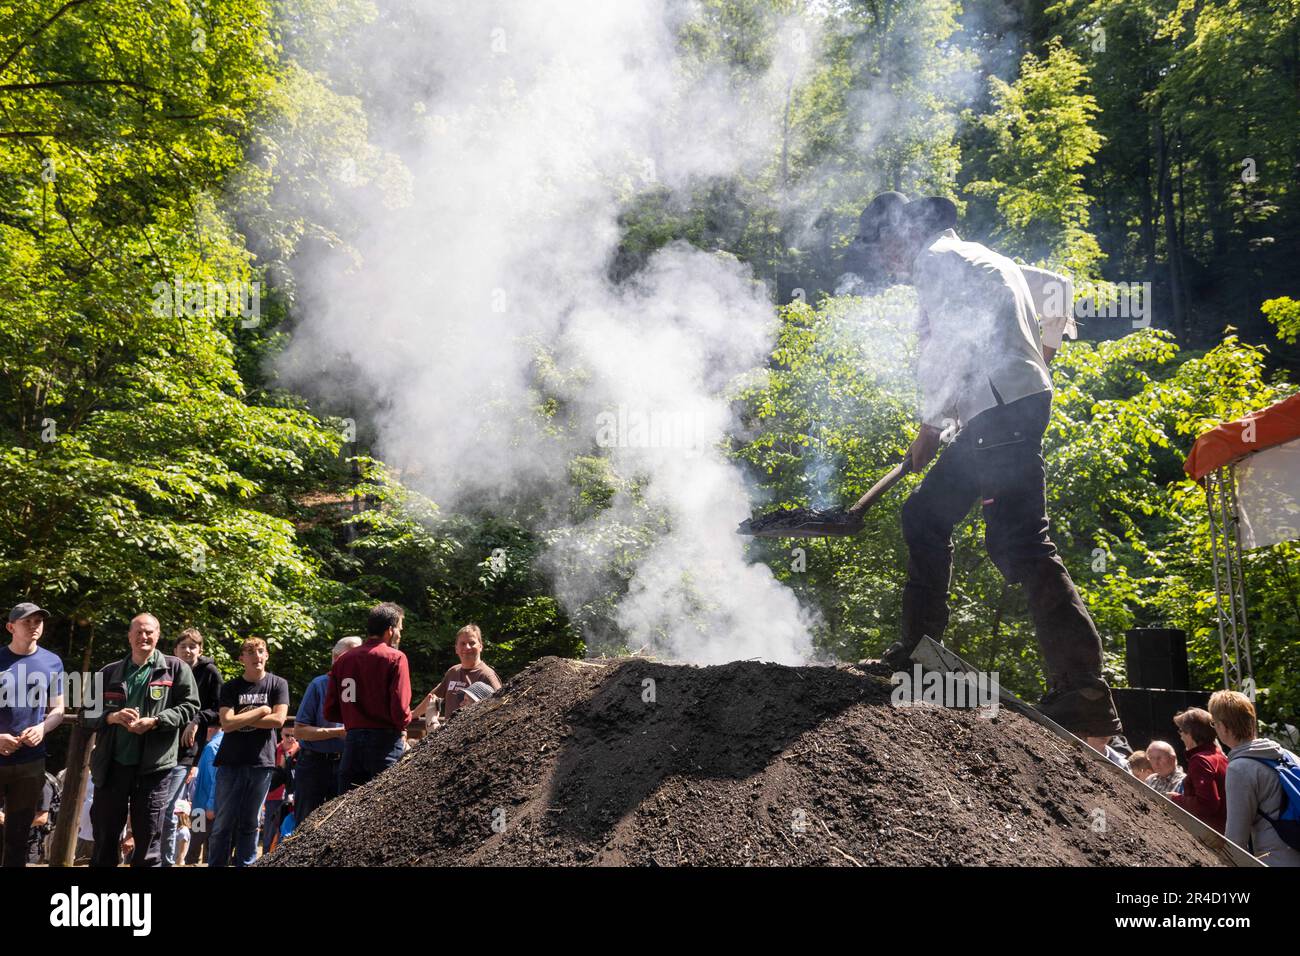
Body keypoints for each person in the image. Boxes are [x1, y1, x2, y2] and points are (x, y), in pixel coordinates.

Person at [855, 192, 1123, 751]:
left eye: (881, 243)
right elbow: (1058, 291)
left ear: (903, 232)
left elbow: (951, 347)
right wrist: (1037, 363)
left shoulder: (936, 261)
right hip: (999, 409)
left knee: (1020, 542)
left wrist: (930, 426)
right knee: (925, 514)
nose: (882, 259)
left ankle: (1083, 690)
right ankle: (920, 651)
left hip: (999, 411)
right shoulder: (987, 257)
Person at [86, 613, 200, 867]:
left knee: (149, 836)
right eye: (138, 632)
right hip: (112, 766)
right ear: (129, 636)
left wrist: (157, 721)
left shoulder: (175, 668)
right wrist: (112, 717)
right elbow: (86, 712)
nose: (143, 637)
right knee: (105, 833)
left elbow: (191, 706)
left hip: (154, 767)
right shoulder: (109, 671)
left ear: (158, 635)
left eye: (149, 632)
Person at [208, 637, 289, 867]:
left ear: (267, 655)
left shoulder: (277, 684)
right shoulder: (231, 687)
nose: (256, 656)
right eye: (250, 652)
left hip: (261, 762)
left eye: (261, 651)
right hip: (230, 762)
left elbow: (278, 719)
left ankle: (247, 864)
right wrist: (262, 710)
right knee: (223, 823)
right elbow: (226, 723)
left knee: (251, 822)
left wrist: (242, 717)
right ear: (242, 658)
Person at [0, 602, 64, 867]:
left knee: (19, 834)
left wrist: (42, 728)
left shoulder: (52, 661)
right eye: (27, 621)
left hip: (31, 760)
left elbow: (58, 709)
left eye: (38, 621)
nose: (34, 626)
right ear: (11, 627)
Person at [325, 603, 413, 790]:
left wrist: (355, 718)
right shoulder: (396, 658)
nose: (400, 634)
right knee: (385, 807)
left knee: (346, 808)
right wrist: (402, 723)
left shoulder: (344, 660)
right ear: (390, 630)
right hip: (385, 744)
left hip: (352, 745)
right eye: (399, 628)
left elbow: (330, 710)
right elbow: (400, 708)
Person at [1210, 690, 1300, 866]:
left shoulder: (1239, 769)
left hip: (1276, 861)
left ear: (1224, 727)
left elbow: (1236, 838)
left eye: (1214, 724)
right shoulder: (1286, 755)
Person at [160, 629, 216, 866]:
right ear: (175, 650)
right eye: (183, 646)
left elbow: (219, 709)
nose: (188, 650)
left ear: (200, 650)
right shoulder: (165, 668)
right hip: (161, 746)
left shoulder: (209, 673)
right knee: (157, 806)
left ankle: (167, 861)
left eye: (193, 646)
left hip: (188, 750)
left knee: (169, 807)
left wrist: (196, 721)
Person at [295, 636, 362, 824]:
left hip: (346, 763)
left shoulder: (360, 688)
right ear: (335, 657)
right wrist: (338, 733)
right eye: (351, 657)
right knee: (305, 824)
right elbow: (299, 731)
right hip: (313, 763)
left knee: (340, 824)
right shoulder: (319, 685)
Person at [417, 624, 503, 724]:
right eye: (462, 643)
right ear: (456, 649)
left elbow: (500, 706)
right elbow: (433, 696)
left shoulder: (487, 675)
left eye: (472, 643)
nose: (467, 647)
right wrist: (413, 714)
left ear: (480, 646)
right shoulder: (453, 671)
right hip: (447, 735)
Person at [1167, 707, 1228, 833]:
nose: (1180, 736)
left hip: (1212, 837)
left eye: (1181, 731)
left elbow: (1207, 804)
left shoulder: (1200, 760)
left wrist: (1176, 799)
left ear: (1191, 733)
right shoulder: (1218, 755)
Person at [186, 726, 223, 865]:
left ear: (209, 729)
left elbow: (215, 778)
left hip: (203, 808)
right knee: (207, 847)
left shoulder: (212, 747)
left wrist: (211, 805)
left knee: (195, 846)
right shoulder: (216, 744)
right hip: (203, 806)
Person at [260, 725, 298, 855]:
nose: (290, 738)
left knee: (287, 833)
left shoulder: (299, 750)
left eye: (293, 735)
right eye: (287, 735)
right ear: (281, 735)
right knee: (269, 833)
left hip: (290, 799)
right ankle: (265, 858)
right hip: (274, 797)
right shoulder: (274, 750)